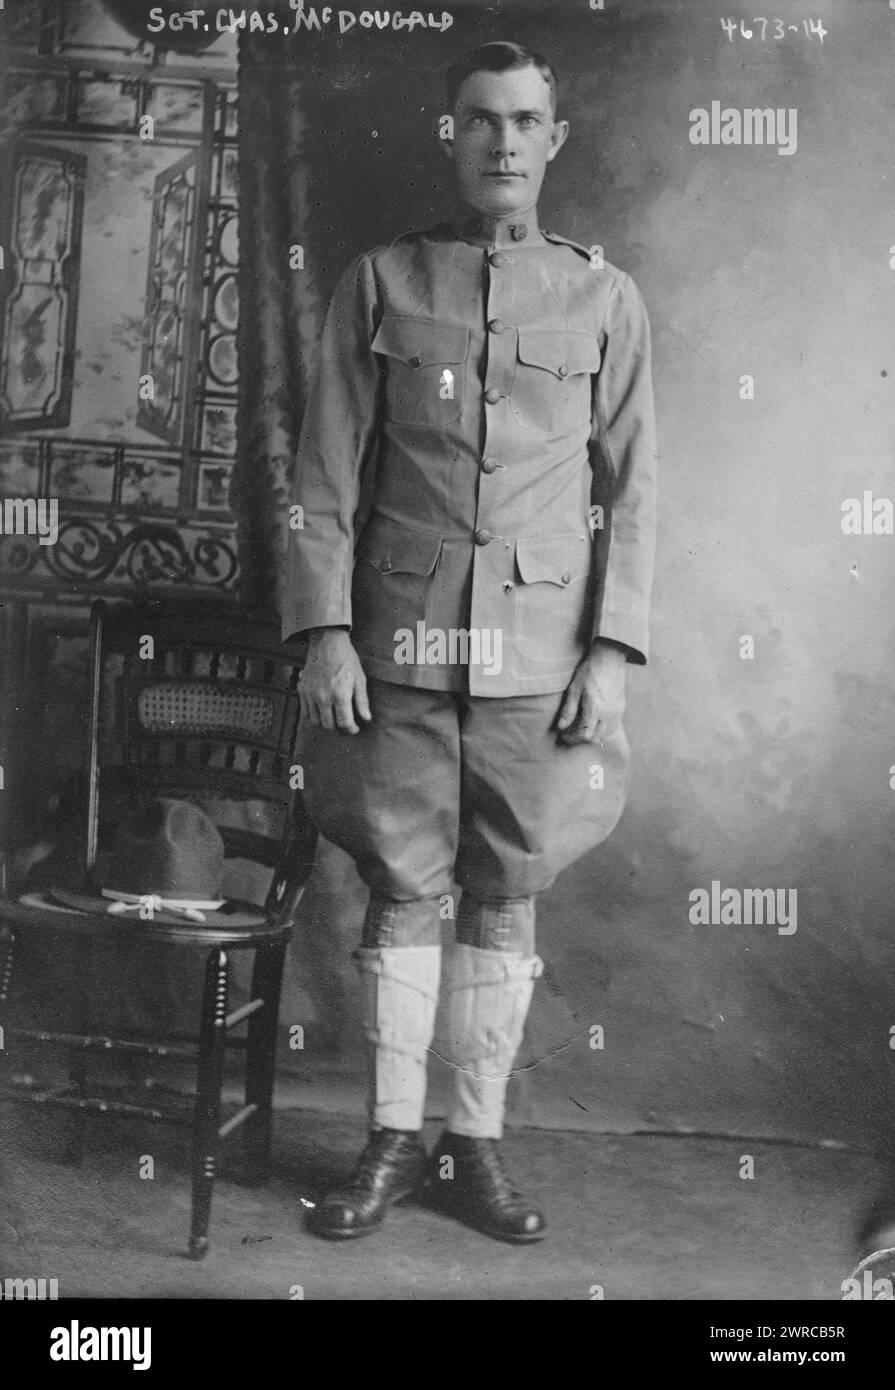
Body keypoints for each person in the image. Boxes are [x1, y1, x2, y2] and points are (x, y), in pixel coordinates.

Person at [283, 40, 658, 1243]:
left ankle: (473, 1147)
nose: (503, 141)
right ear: (450, 135)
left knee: (505, 891)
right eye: (481, 119)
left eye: (525, 120)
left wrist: (611, 651)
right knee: (402, 888)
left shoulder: (604, 298)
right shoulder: (381, 283)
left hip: (540, 654)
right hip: (395, 647)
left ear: (555, 139)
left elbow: (634, 491)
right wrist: (325, 632)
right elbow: (323, 476)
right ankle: (393, 1139)